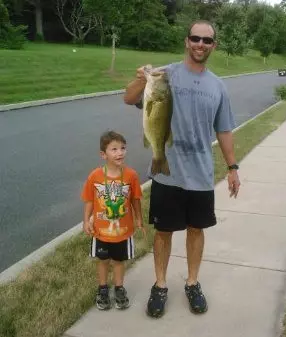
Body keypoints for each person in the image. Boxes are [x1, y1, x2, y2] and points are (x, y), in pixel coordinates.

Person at [123, 19, 241, 318]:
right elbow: (130, 98)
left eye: (207, 40)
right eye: (195, 38)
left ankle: (192, 282)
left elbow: (224, 129)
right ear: (187, 41)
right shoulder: (165, 75)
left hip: (200, 172)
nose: (201, 44)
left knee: (196, 230)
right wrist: (141, 78)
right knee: (163, 231)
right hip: (168, 172)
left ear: (214, 45)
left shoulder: (218, 86)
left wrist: (232, 167)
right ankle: (160, 285)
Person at [81, 130, 144, 311]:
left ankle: (119, 288)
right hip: (101, 231)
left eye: (123, 148)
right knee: (102, 261)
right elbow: (89, 200)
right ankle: (102, 289)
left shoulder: (131, 175)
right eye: (114, 149)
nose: (120, 153)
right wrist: (86, 220)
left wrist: (139, 218)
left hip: (123, 232)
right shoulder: (95, 176)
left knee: (118, 261)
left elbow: (135, 199)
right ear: (103, 154)